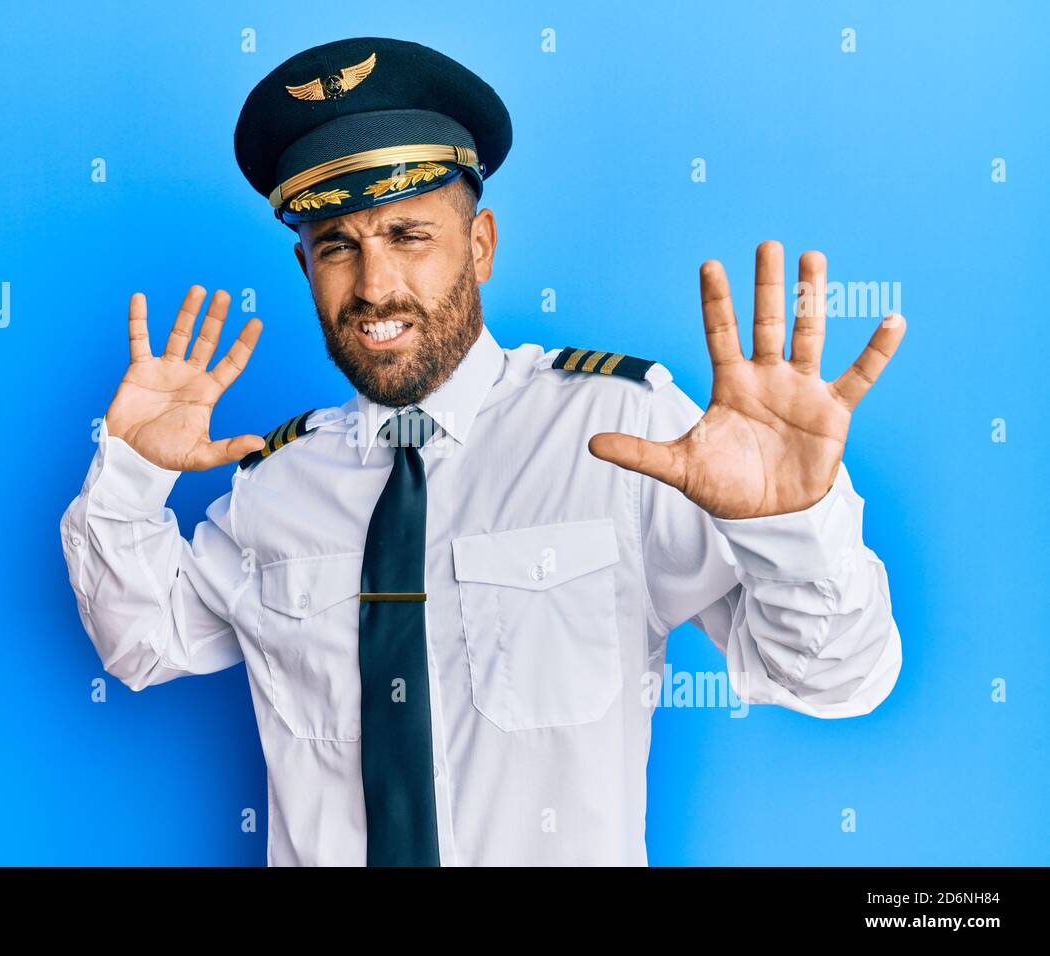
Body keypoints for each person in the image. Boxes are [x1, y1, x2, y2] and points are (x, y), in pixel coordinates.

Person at [59, 36, 905, 866]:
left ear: (481, 244)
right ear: (304, 265)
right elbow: (140, 641)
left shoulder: (620, 433)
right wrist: (132, 471)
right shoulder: (274, 486)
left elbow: (833, 680)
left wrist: (791, 523)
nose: (374, 286)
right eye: (337, 247)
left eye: (408, 234)